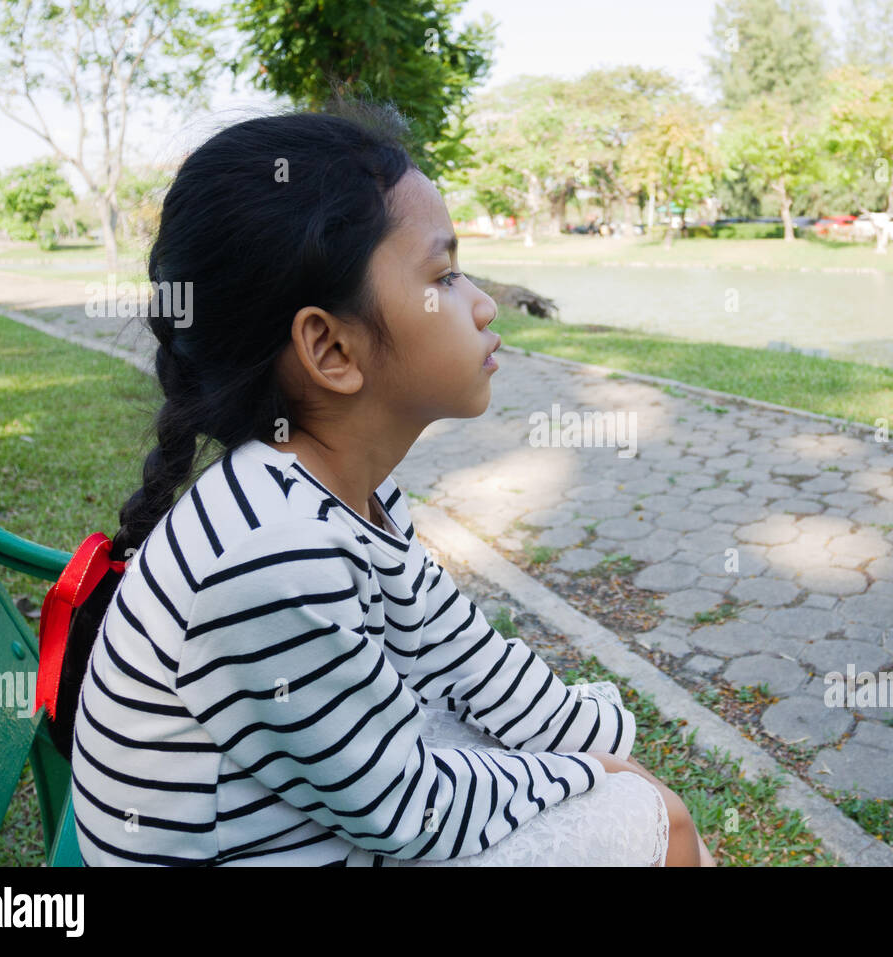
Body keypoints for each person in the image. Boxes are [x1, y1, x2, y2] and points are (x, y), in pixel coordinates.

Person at [66, 101, 713, 867]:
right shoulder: (273, 555)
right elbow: (408, 812)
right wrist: (598, 777)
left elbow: (459, 652)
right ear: (331, 348)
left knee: (637, 801)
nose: (483, 304)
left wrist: (605, 744)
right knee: (655, 823)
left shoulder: (344, 488)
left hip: (299, 823)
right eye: (444, 274)